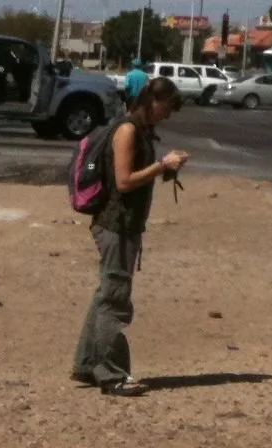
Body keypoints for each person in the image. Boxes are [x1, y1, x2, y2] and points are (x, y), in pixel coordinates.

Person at [72, 75, 189, 395]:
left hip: (125, 224)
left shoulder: (143, 131)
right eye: (170, 106)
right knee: (115, 299)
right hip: (115, 224)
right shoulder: (127, 130)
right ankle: (112, 374)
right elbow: (124, 181)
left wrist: (166, 168)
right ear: (155, 101)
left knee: (106, 295)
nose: (171, 113)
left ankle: (87, 364)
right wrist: (161, 165)